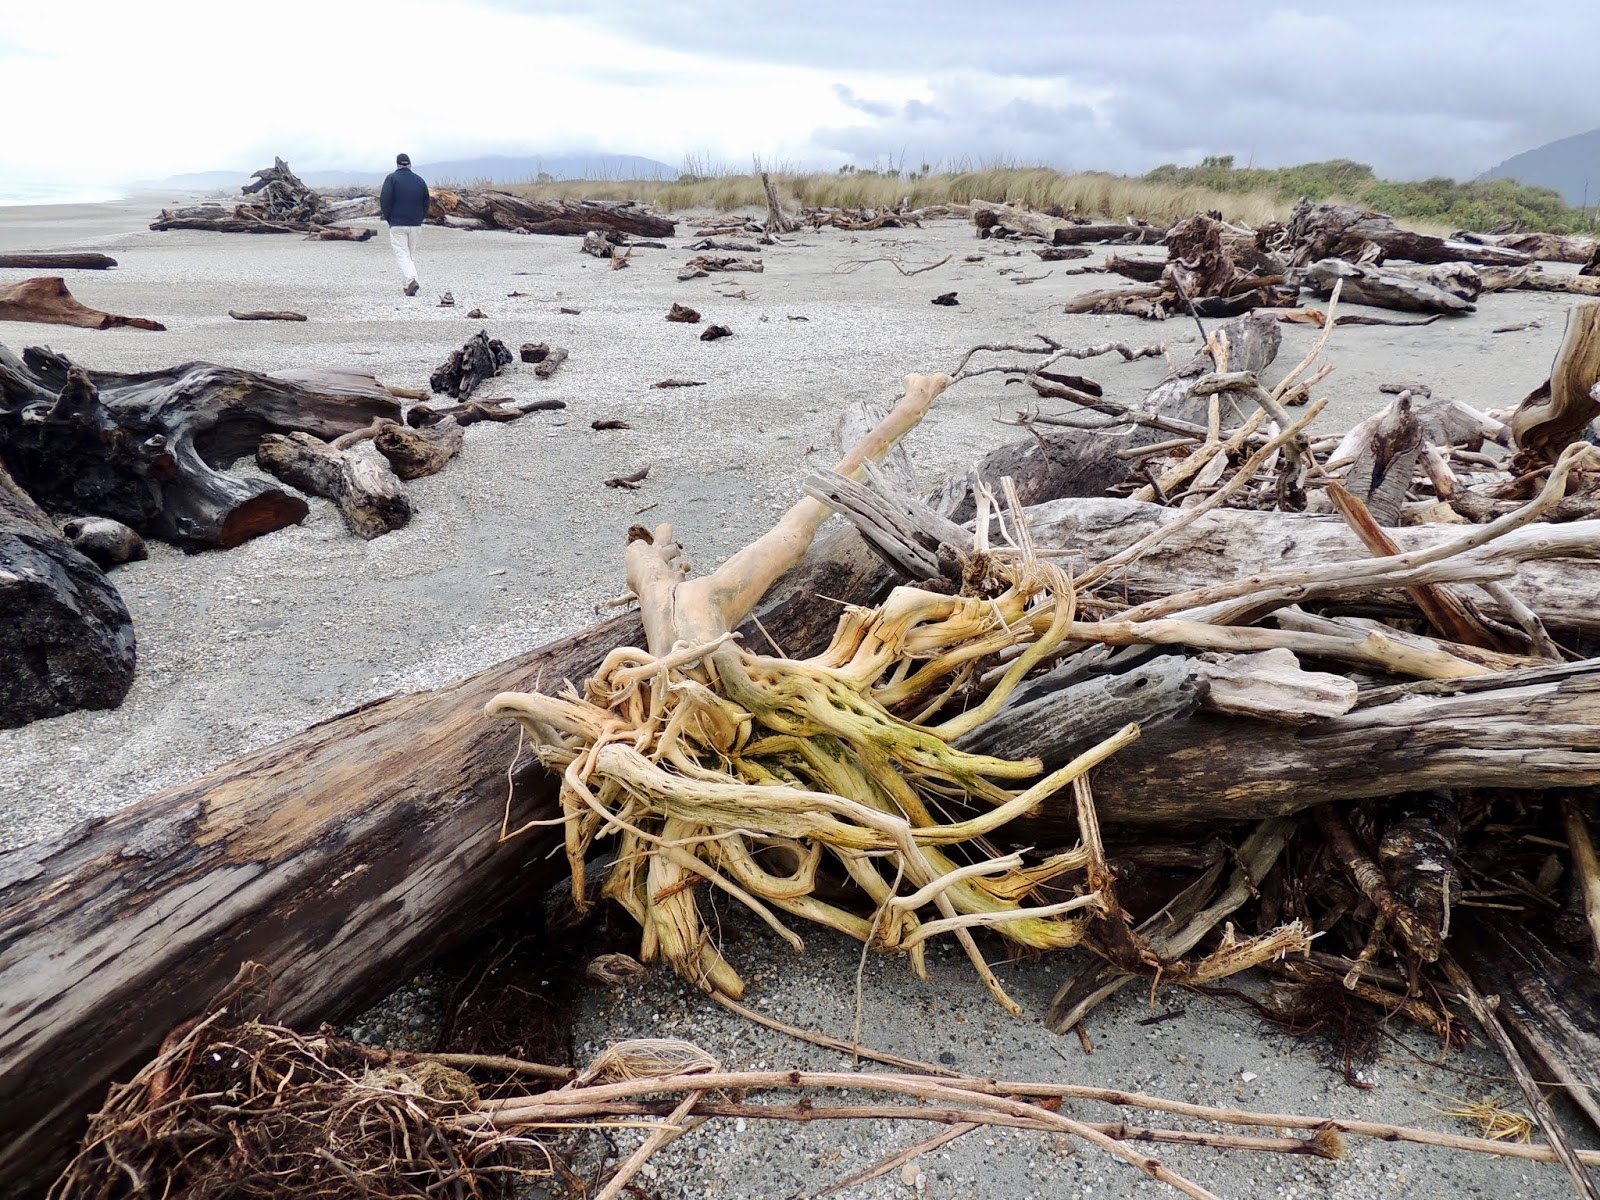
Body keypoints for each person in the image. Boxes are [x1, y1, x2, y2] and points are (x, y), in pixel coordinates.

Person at [379, 153, 429, 296]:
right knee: (409, 254)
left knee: (402, 254)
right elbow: (426, 202)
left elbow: (385, 201)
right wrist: (420, 218)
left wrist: (390, 219)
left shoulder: (392, 179)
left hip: (398, 223)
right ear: (410, 164)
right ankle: (407, 285)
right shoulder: (419, 180)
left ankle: (412, 280)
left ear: (397, 164)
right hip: (415, 223)